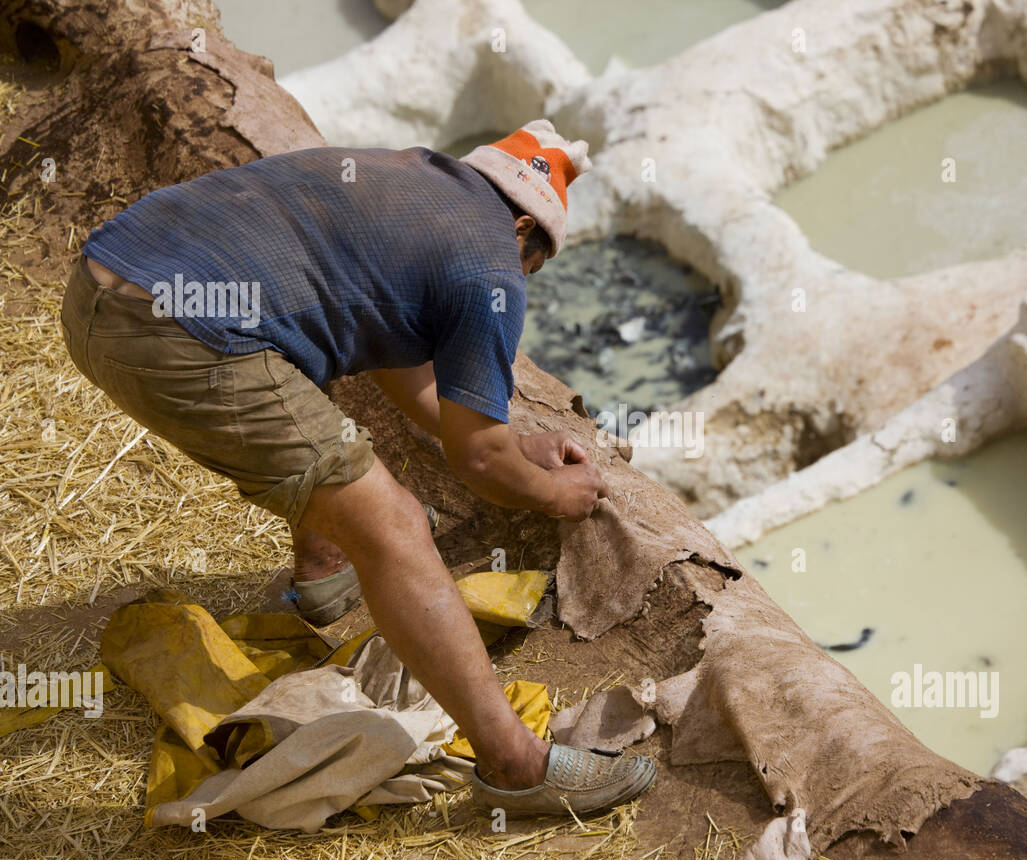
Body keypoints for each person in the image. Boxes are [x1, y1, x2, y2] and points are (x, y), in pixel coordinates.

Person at [58, 120, 656, 816]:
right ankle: (516, 768)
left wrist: (515, 438)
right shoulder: (491, 264)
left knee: (305, 350)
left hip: (99, 287)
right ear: (522, 224)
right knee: (394, 523)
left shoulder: (404, 179)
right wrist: (557, 494)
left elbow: (397, 353)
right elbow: (476, 459)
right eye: (535, 261)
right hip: (172, 336)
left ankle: (322, 568)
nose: (525, 277)